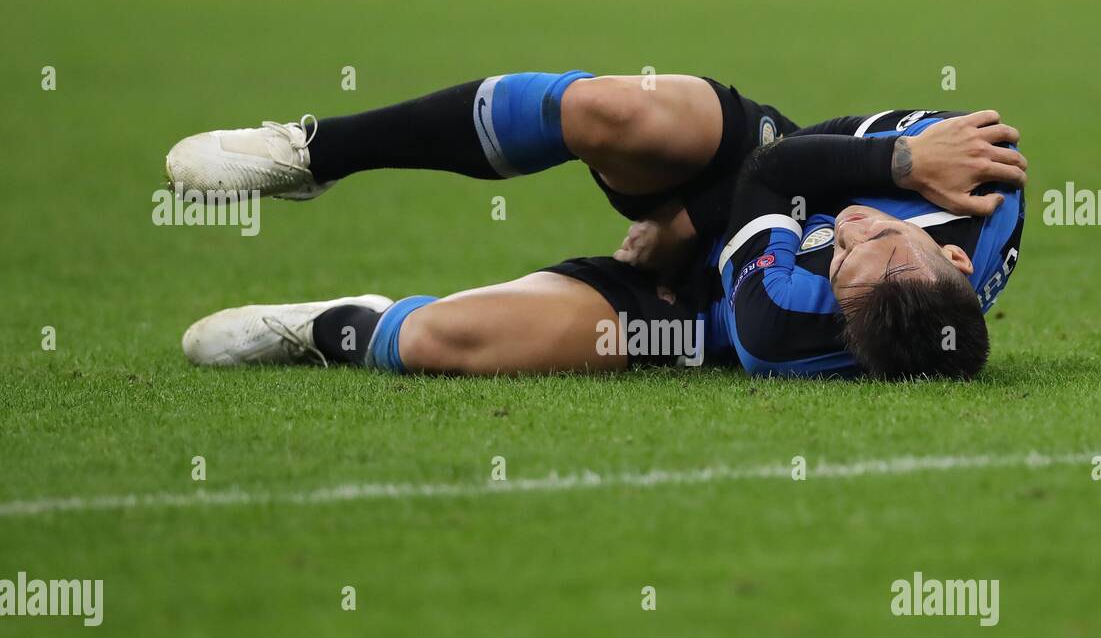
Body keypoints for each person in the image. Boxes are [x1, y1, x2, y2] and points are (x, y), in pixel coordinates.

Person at [168, 73, 1025, 377]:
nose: (859, 227)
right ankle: (314, 153)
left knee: (443, 342)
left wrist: (690, 236)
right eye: (884, 234)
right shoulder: (988, 178)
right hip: (749, 165)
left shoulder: (780, 328)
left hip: (700, 315)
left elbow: (781, 181)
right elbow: (791, 153)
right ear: (951, 250)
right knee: (621, 112)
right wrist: (901, 167)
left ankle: (321, 325)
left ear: (832, 303)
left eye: (842, 257)